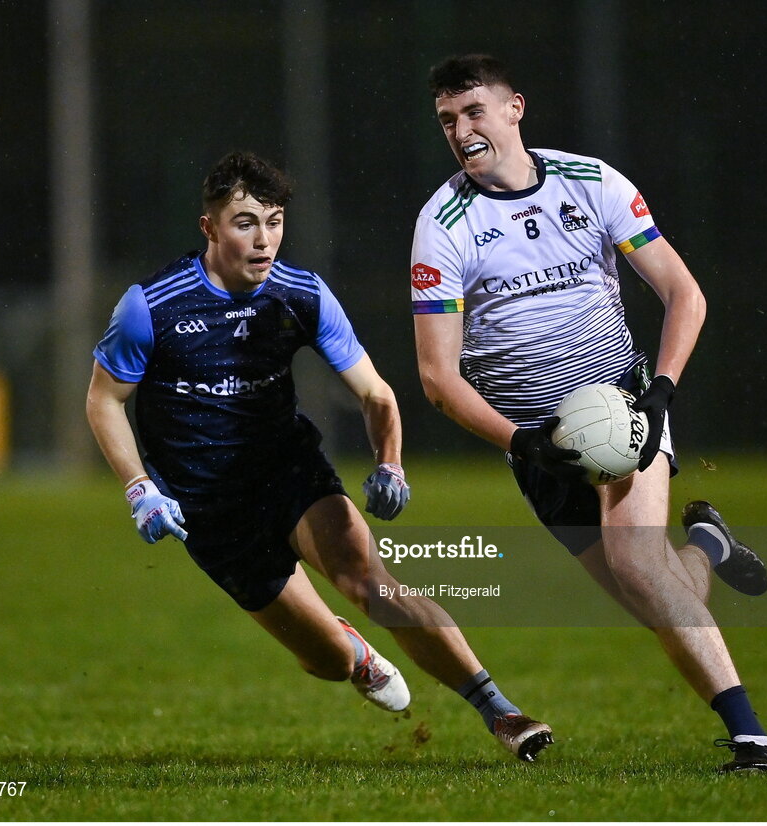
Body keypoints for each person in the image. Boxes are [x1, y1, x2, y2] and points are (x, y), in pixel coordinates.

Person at [85, 150, 553, 762]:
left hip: (289, 473)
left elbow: (376, 394)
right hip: (209, 511)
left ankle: (502, 713)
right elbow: (103, 401)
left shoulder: (301, 295)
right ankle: (355, 654)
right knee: (328, 662)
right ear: (209, 228)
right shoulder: (152, 307)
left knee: (372, 584)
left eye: (275, 221)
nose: (264, 240)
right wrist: (138, 487)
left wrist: (389, 462)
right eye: (245, 222)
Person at [411, 55, 767, 772]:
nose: (462, 131)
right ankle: (708, 546)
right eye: (448, 120)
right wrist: (523, 443)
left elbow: (686, 295)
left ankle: (752, 739)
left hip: (621, 406)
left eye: (474, 112)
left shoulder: (592, 182)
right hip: (538, 443)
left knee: (635, 558)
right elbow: (436, 377)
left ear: (515, 108)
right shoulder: (443, 226)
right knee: (651, 592)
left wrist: (661, 393)